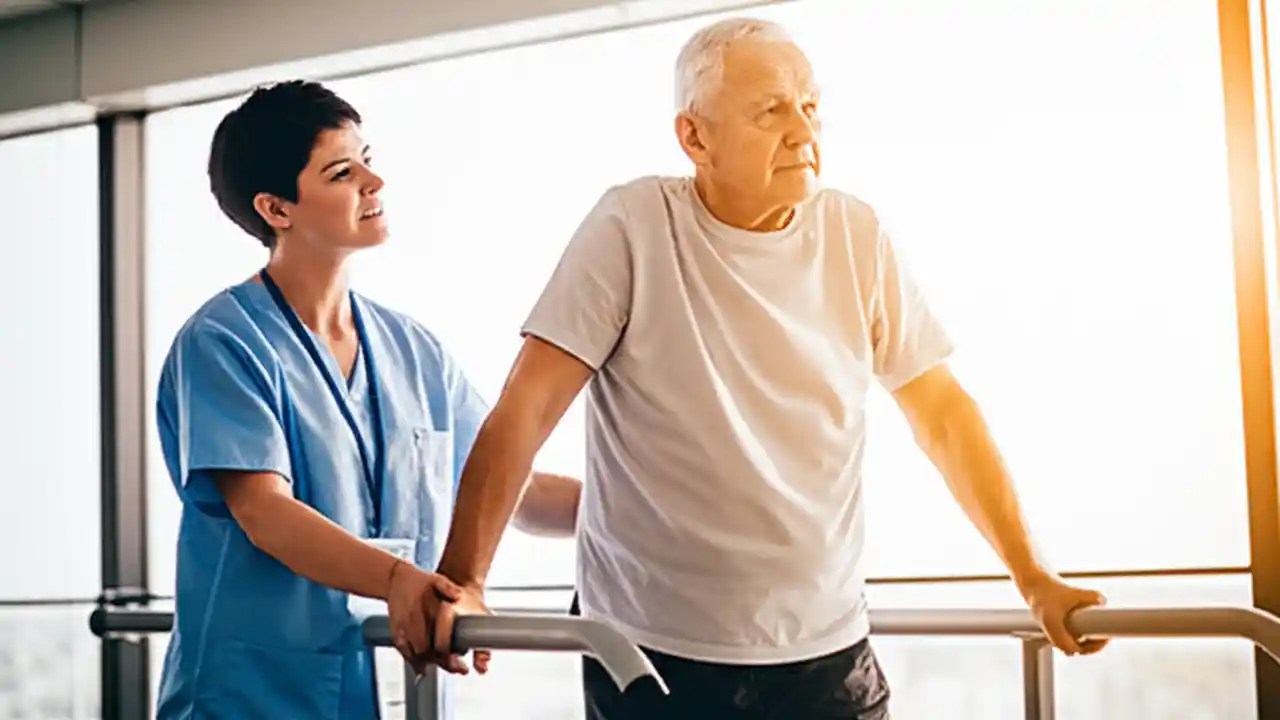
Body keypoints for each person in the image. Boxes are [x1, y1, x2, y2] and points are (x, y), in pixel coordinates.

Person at [428, 17, 1109, 719]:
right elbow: (528, 405)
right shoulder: (634, 224)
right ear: (694, 138)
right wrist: (465, 580)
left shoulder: (857, 233)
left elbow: (944, 416)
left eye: (810, 106)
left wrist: (1032, 576)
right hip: (650, 652)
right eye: (771, 110)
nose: (803, 131)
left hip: (826, 651)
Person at [152, 80, 579, 719]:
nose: (373, 182)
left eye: (368, 159)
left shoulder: (414, 351)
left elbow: (509, 487)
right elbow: (264, 511)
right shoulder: (223, 344)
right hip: (254, 698)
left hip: (391, 692)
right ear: (276, 208)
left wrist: (642, 515)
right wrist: (395, 581)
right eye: (342, 172)